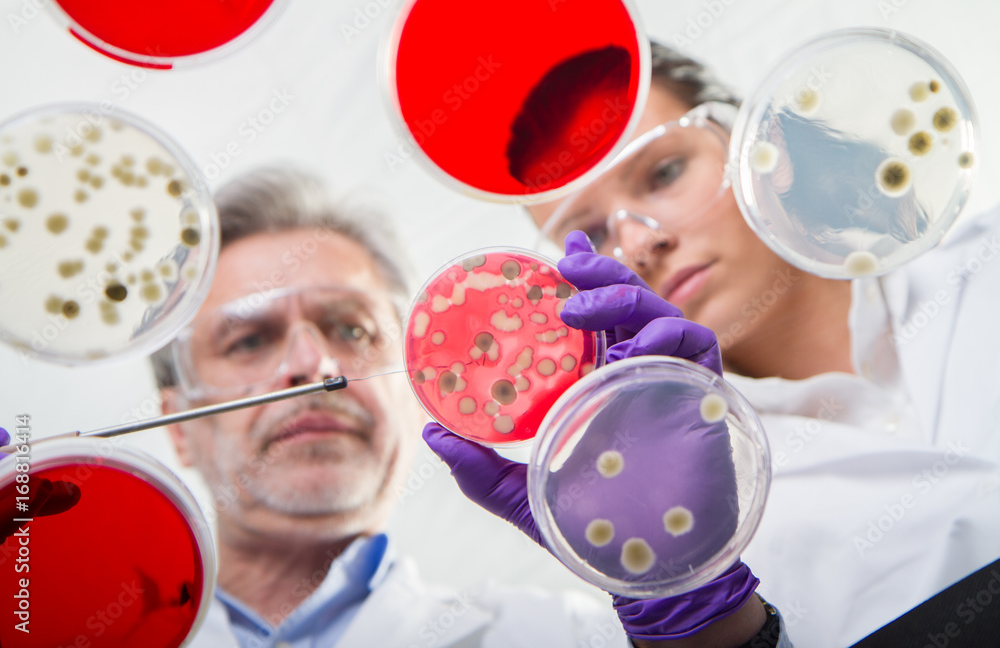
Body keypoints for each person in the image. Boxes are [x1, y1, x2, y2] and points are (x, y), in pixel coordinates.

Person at [140, 166, 787, 647]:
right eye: (249, 338)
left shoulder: (569, 637)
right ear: (178, 425)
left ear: (409, 388)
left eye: (352, 329)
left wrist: (691, 604)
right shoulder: (59, 620)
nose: (316, 364)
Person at [525, 41, 1000, 647]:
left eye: (664, 173)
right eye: (589, 233)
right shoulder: (703, 527)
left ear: (754, 143)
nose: (640, 243)